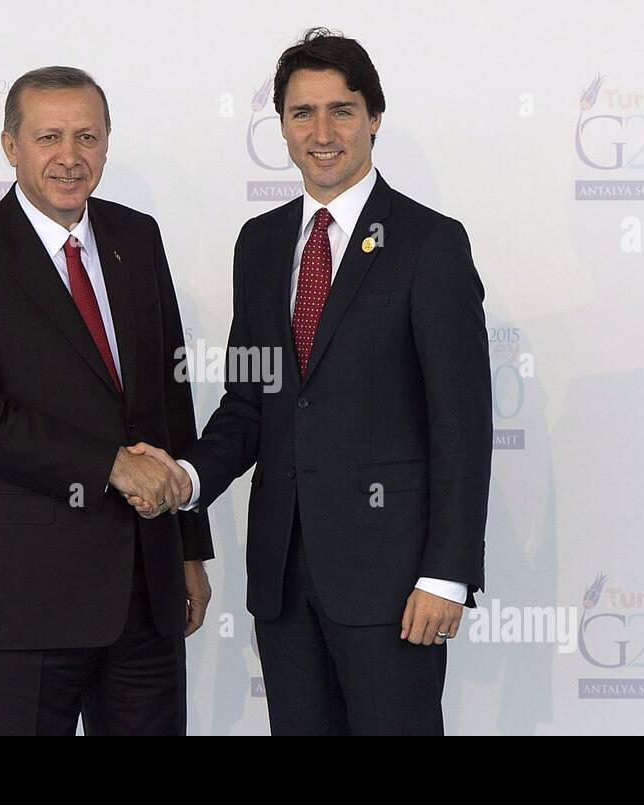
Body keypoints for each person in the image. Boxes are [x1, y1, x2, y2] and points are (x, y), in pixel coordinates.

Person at [129, 29, 492, 735]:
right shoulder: (259, 243)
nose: (322, 133)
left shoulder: (429, 243)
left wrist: (446, 573)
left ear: (375, 117)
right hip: (284, 580)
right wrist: (186, 479)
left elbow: (462, 422)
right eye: (302, 113)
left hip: (394, 586)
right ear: (282, 126)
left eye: (342, 110)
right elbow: (248, 401)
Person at [0, 66, 212, 735]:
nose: (69, 156)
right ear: (10, 145)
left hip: (146, 594)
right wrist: (111, 463)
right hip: (22, 606)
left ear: (107, 144)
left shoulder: (138, 239)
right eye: (48, 136)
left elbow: (171, 401)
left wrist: (188, 548)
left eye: (87, 136)